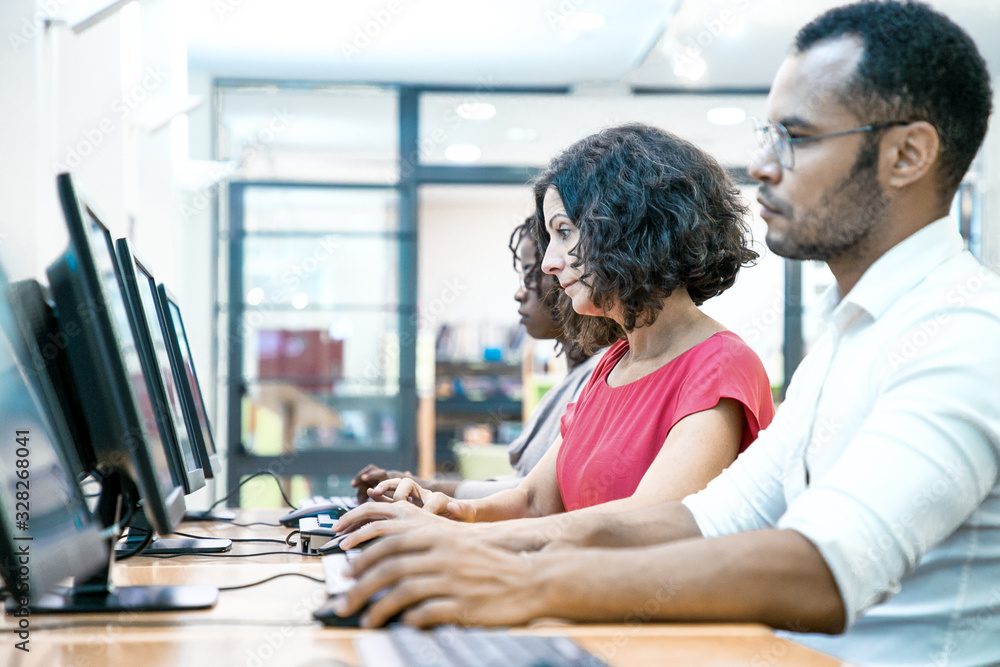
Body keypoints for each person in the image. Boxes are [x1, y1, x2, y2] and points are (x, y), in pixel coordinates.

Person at [328, 3, 1000, 666]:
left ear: (907, 153)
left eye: (795, 137)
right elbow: (698, 519)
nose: (763, 164)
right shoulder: (851, 337)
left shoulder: (966, 334)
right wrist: (460, 544)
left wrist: (524, 580)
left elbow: (824, 565)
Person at [336, 123, 774, 538]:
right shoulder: (612, 364)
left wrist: (458, 536)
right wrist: (444, 509)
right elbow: (533, 501)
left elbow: (654, 520)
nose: (549, 262)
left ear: (633, 229)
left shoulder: (720, 365)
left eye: (564, 232)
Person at [350, 217, 608, 502]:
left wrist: (424, 487)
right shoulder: (576, 377)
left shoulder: (602, 376)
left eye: (529, 275)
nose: (519, 293)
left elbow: (535, 496)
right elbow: (523, 485)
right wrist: (416, 486)